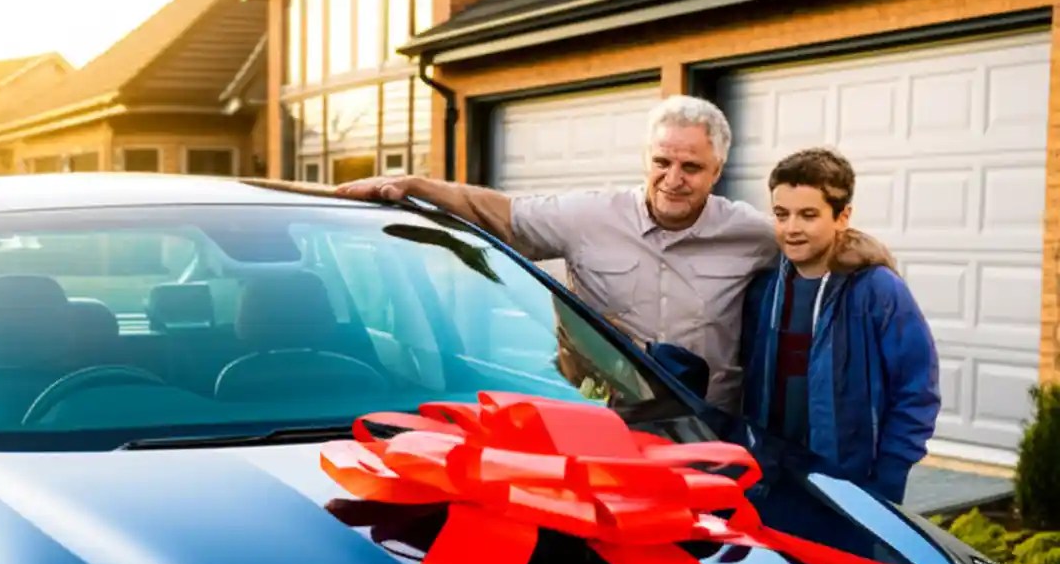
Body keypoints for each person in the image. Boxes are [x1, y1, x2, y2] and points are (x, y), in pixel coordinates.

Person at [333, 95, 778, 415]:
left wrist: (848, 246)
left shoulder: (752, 235)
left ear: (717, 170)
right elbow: (500, 215)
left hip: (707, 427)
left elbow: (816, 248)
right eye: (662, 161)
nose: (673, 178)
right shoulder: (589, 216)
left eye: (691, 167)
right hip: (605, 421)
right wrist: (416, 185)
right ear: (646, 158)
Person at [740, 147, 940, 505]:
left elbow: (917, 391)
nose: (791, 229)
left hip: (855, 486)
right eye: (781, 214)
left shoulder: (877, 290)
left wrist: (887, 481)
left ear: (842, 216)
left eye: (808, 215)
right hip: (772, 480)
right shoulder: (765, 290)